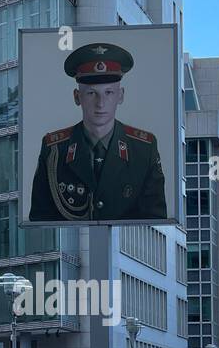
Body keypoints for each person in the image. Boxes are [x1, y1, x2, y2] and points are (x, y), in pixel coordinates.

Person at [28, 42, 167, 222]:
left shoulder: (143, 148)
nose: (100, 103)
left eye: (108, 92)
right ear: (77, 97)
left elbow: (156, 218)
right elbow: (40, 218)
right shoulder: (54, 149)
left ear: (121, 95)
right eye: (91, 93)